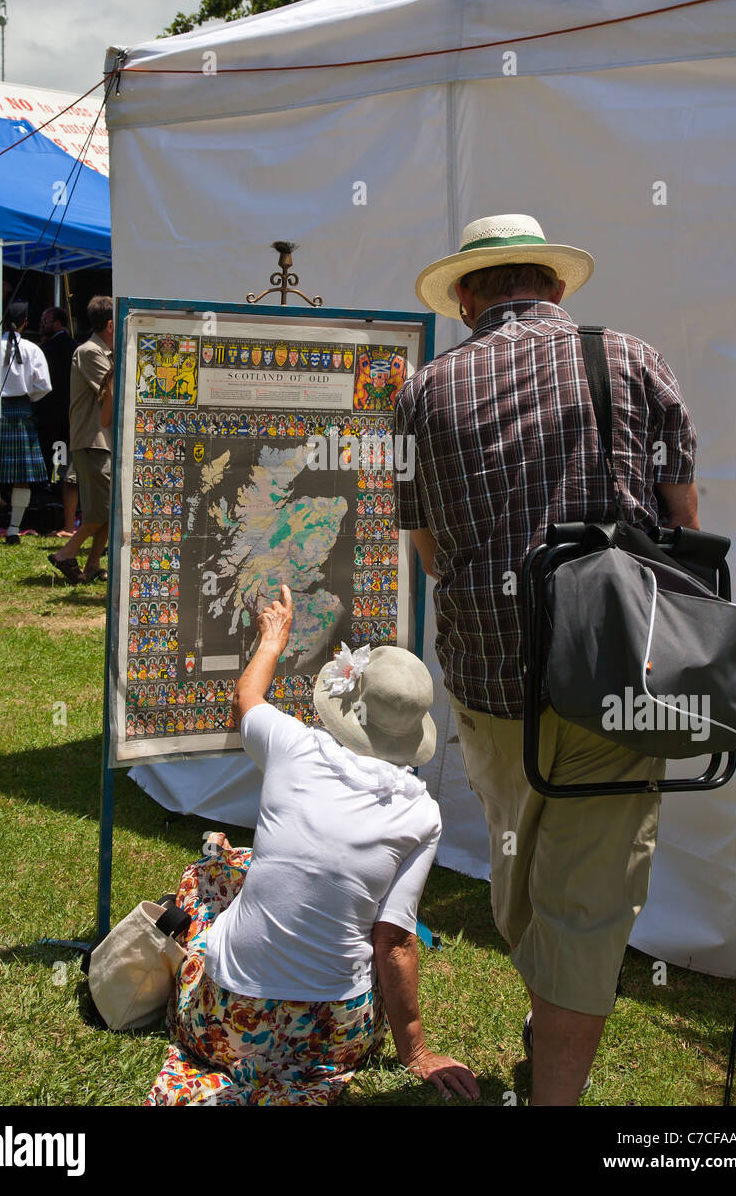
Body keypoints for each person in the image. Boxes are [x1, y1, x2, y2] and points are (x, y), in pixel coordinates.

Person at [394, 213, 698, 1107]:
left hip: (490, 680)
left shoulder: (423, 391)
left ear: (463, 298)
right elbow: (682, 518)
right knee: (589, 894)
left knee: (517, 869)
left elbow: (431, 553)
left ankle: (549, 1045)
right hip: (619, 671)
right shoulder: (634, 360)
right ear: (556, 289)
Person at [146, 585, 479, 1107]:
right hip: (328, 1038)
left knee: (213, 886)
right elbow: (393, 940)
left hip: (224, 1020)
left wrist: (273, 639)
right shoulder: (421, 812)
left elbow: (247, 700)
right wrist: (415, 1051)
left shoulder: (294, 746)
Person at [0, 301, 52, 543]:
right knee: (21, 476)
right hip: (22, 411)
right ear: (25, 322)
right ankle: (13, 530)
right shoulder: (33, 349)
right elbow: (43, 386)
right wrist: (26, 397)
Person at [49, 296, 114, 584]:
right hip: (93, 439)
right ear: (110, 325)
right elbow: (111, 389)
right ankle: (66, 553)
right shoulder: (90, 352)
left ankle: (93, 564)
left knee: (110, 510)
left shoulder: (102, 351)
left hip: (104, 440)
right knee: (102, 509)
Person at [35, 305, 78, 536]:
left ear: (58, 322)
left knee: (50, 465)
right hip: (70, 418)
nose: (42, 323)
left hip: (48, 417)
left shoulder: (45, 349)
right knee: (65, 467)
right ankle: (65, 513)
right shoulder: (75, 347)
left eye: (46, 320)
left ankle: (48, 507)